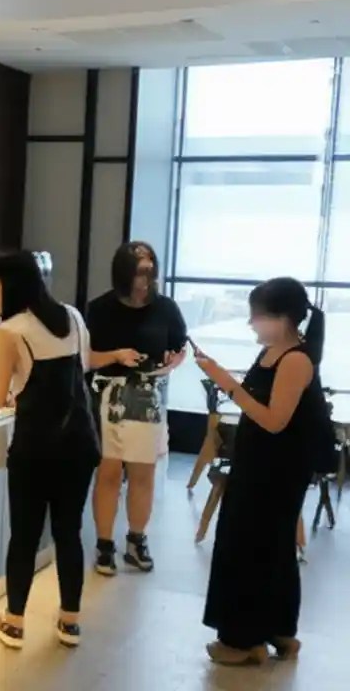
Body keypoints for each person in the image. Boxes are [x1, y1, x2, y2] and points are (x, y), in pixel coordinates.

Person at [196, 278, 325, 665]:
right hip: (257, 464)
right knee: (265, 547)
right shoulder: (270, 353)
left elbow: (274, 420)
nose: (252, 323)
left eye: (258, 316)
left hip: (278, 470)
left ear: (282, 318)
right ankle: (276, 632)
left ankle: (243, 639)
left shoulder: (296, 360)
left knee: (254, 547)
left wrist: (226, 384)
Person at [0, 250, 100, 650]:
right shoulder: (73, 316)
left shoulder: (11, 331)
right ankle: (71, 621)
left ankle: (14, 622)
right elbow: (79, 370)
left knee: (25, 537)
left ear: (8, 285)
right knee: (70, 532)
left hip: (35, 449)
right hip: (80, 443)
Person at [85, 242, 187, 575]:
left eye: (149, 273)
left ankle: (136, 539)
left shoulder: (166, 308)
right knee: (110, 472)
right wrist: (116, 355)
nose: (145, 281)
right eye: (138, 273)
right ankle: (104, 544)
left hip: (149, 395)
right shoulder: (100, 308)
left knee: (143, 473)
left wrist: (173, 360)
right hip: (110, 395)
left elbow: (179, 346)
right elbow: (85, 358)